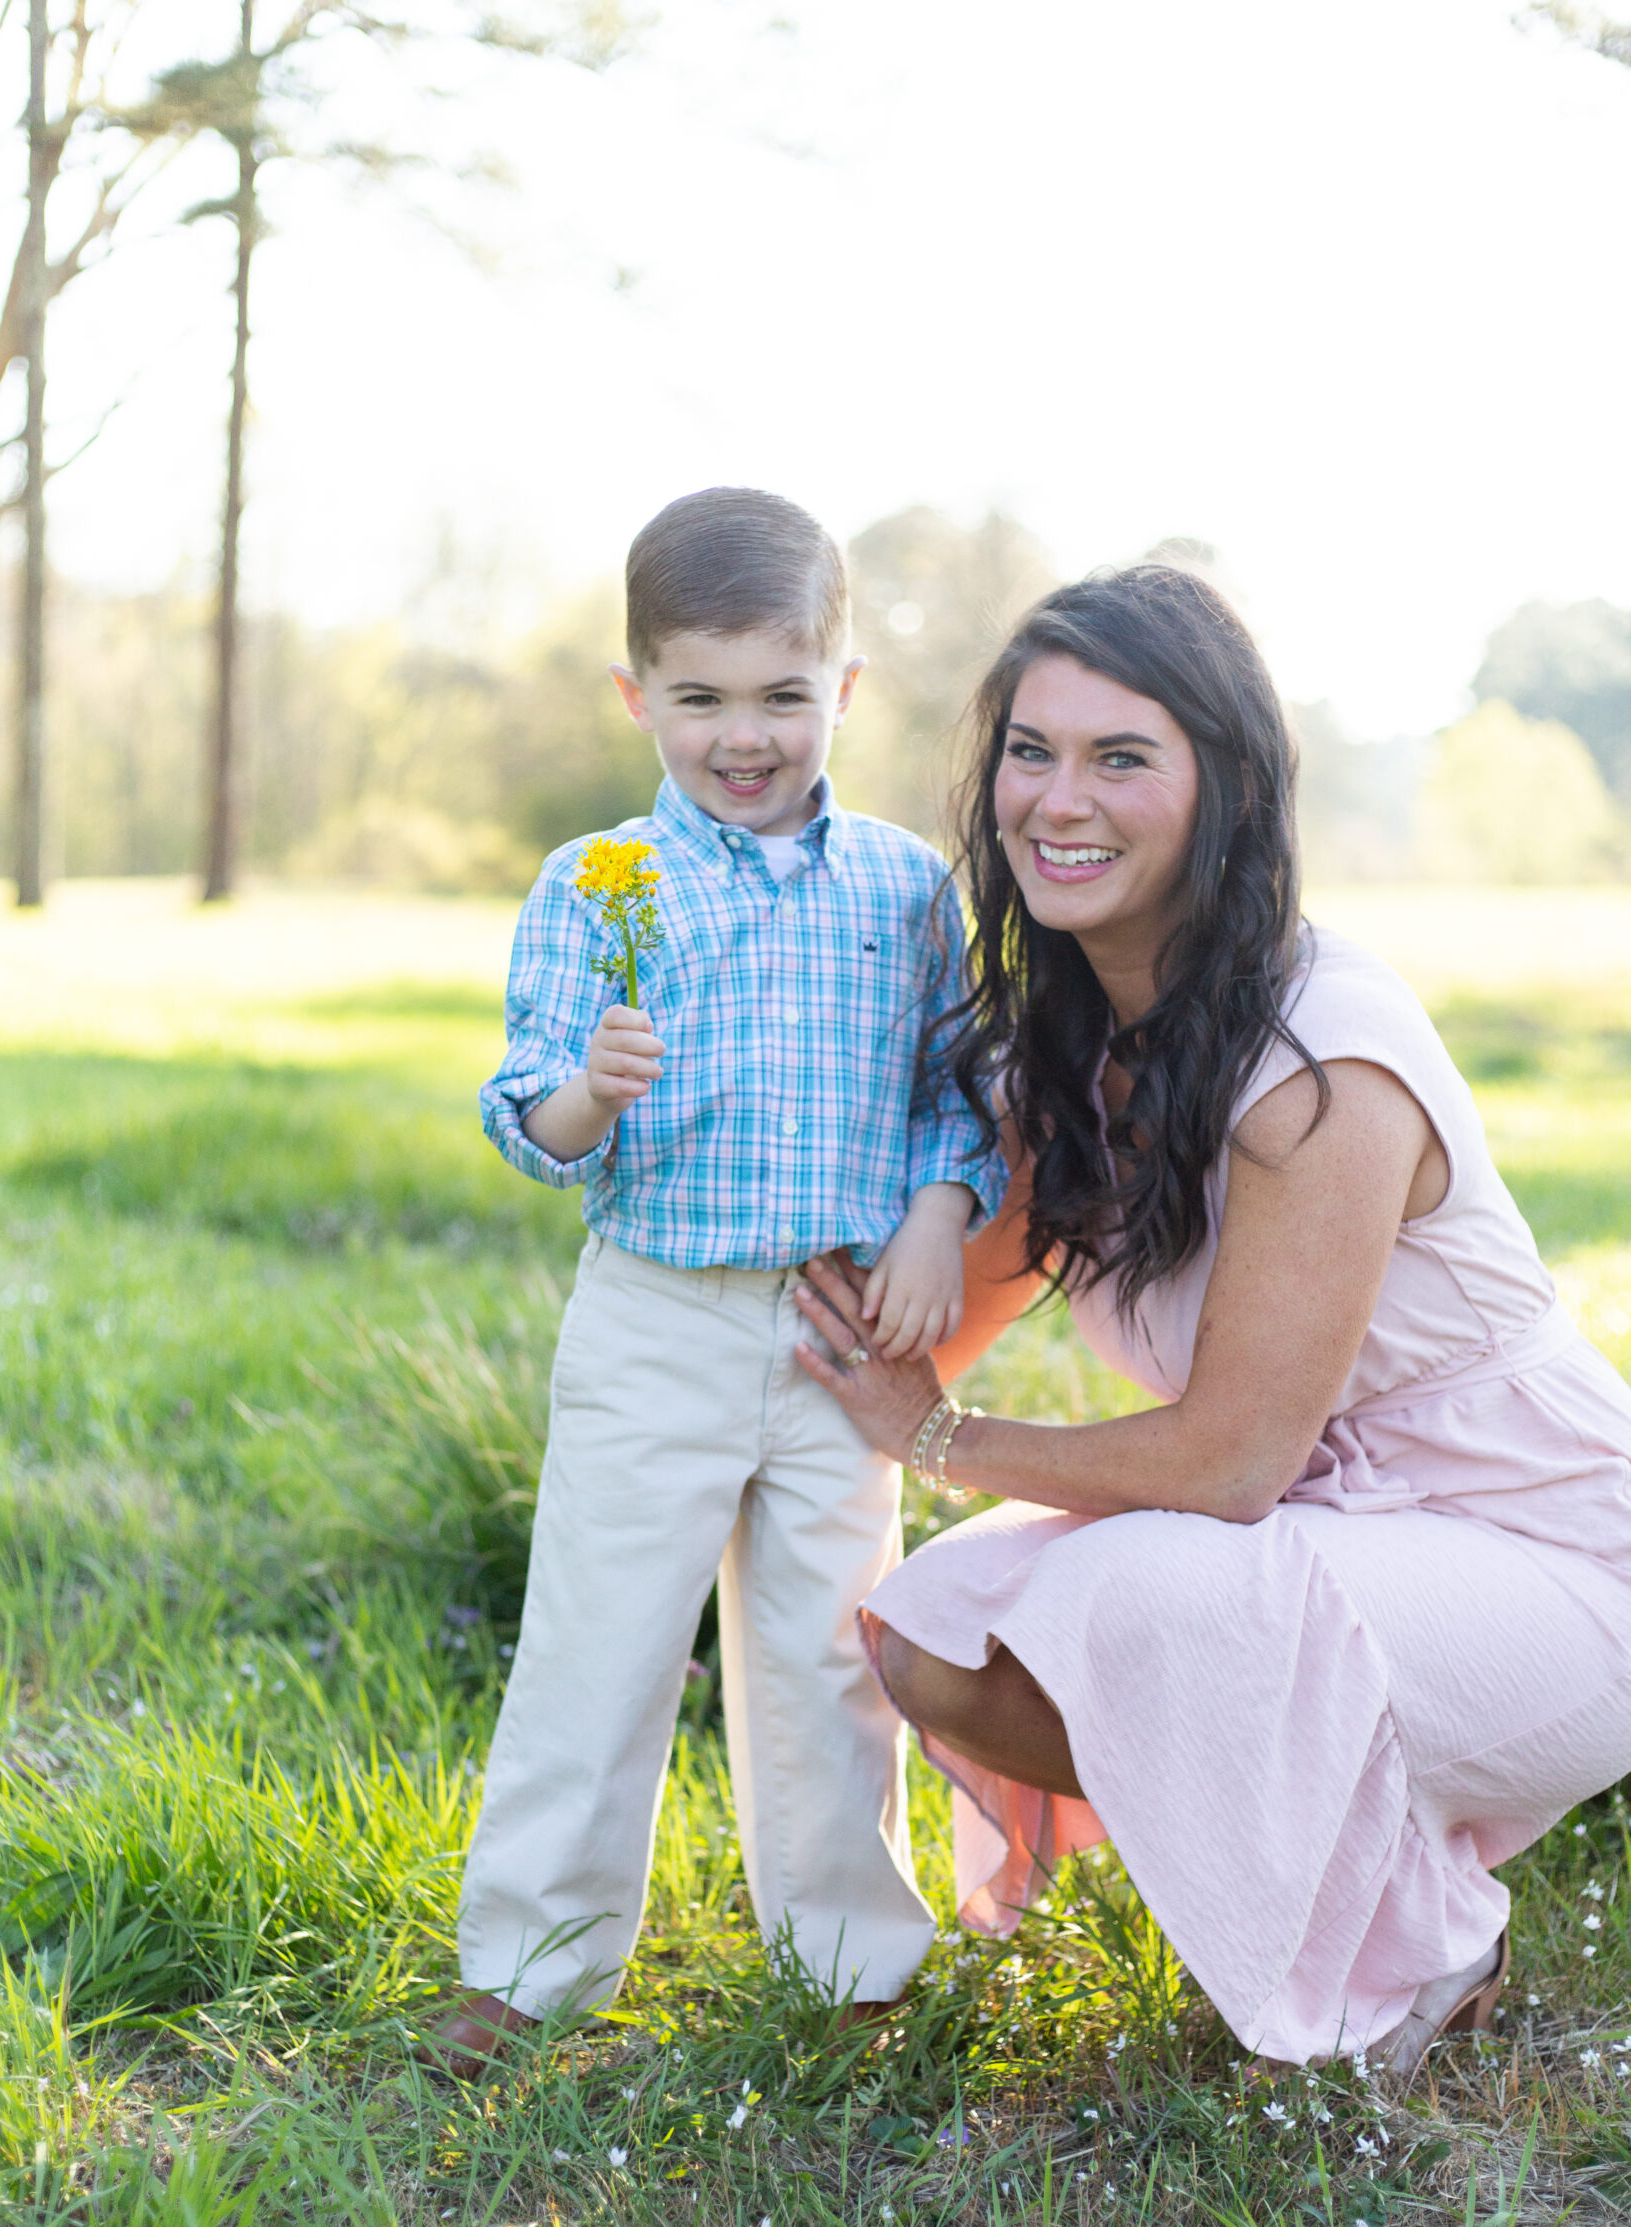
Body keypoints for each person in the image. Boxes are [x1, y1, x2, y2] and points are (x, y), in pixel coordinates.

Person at [795, 562, 1631, 2076]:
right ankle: (1330, 1876)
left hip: (1545, 1557)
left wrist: (942, 1440)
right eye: (1032, 752)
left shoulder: (1324, 1060)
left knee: (1160, 1601)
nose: (1062, 800)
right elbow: (921, 1327)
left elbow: (1236, 1462)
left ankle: (1427, 1942)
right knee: (937, 1633)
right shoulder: (1058, 1050)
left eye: (1124, 758)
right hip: (1307, 1538)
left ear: (1225, 790)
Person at [432, 487, 1007, 2072]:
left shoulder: (902, 891)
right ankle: (530, 1965)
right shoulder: (602, 884)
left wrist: (942, 1214)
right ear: (639, 698)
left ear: (845, 689)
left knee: (832, 1650)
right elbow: (531, 1124)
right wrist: (592, 1094)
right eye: (700, 699)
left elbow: (954, 1096)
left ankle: (853, 1967)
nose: (742, 736)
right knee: (601, 1640)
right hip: (657, 1319)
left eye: (781, 696)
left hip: (839, 1327)